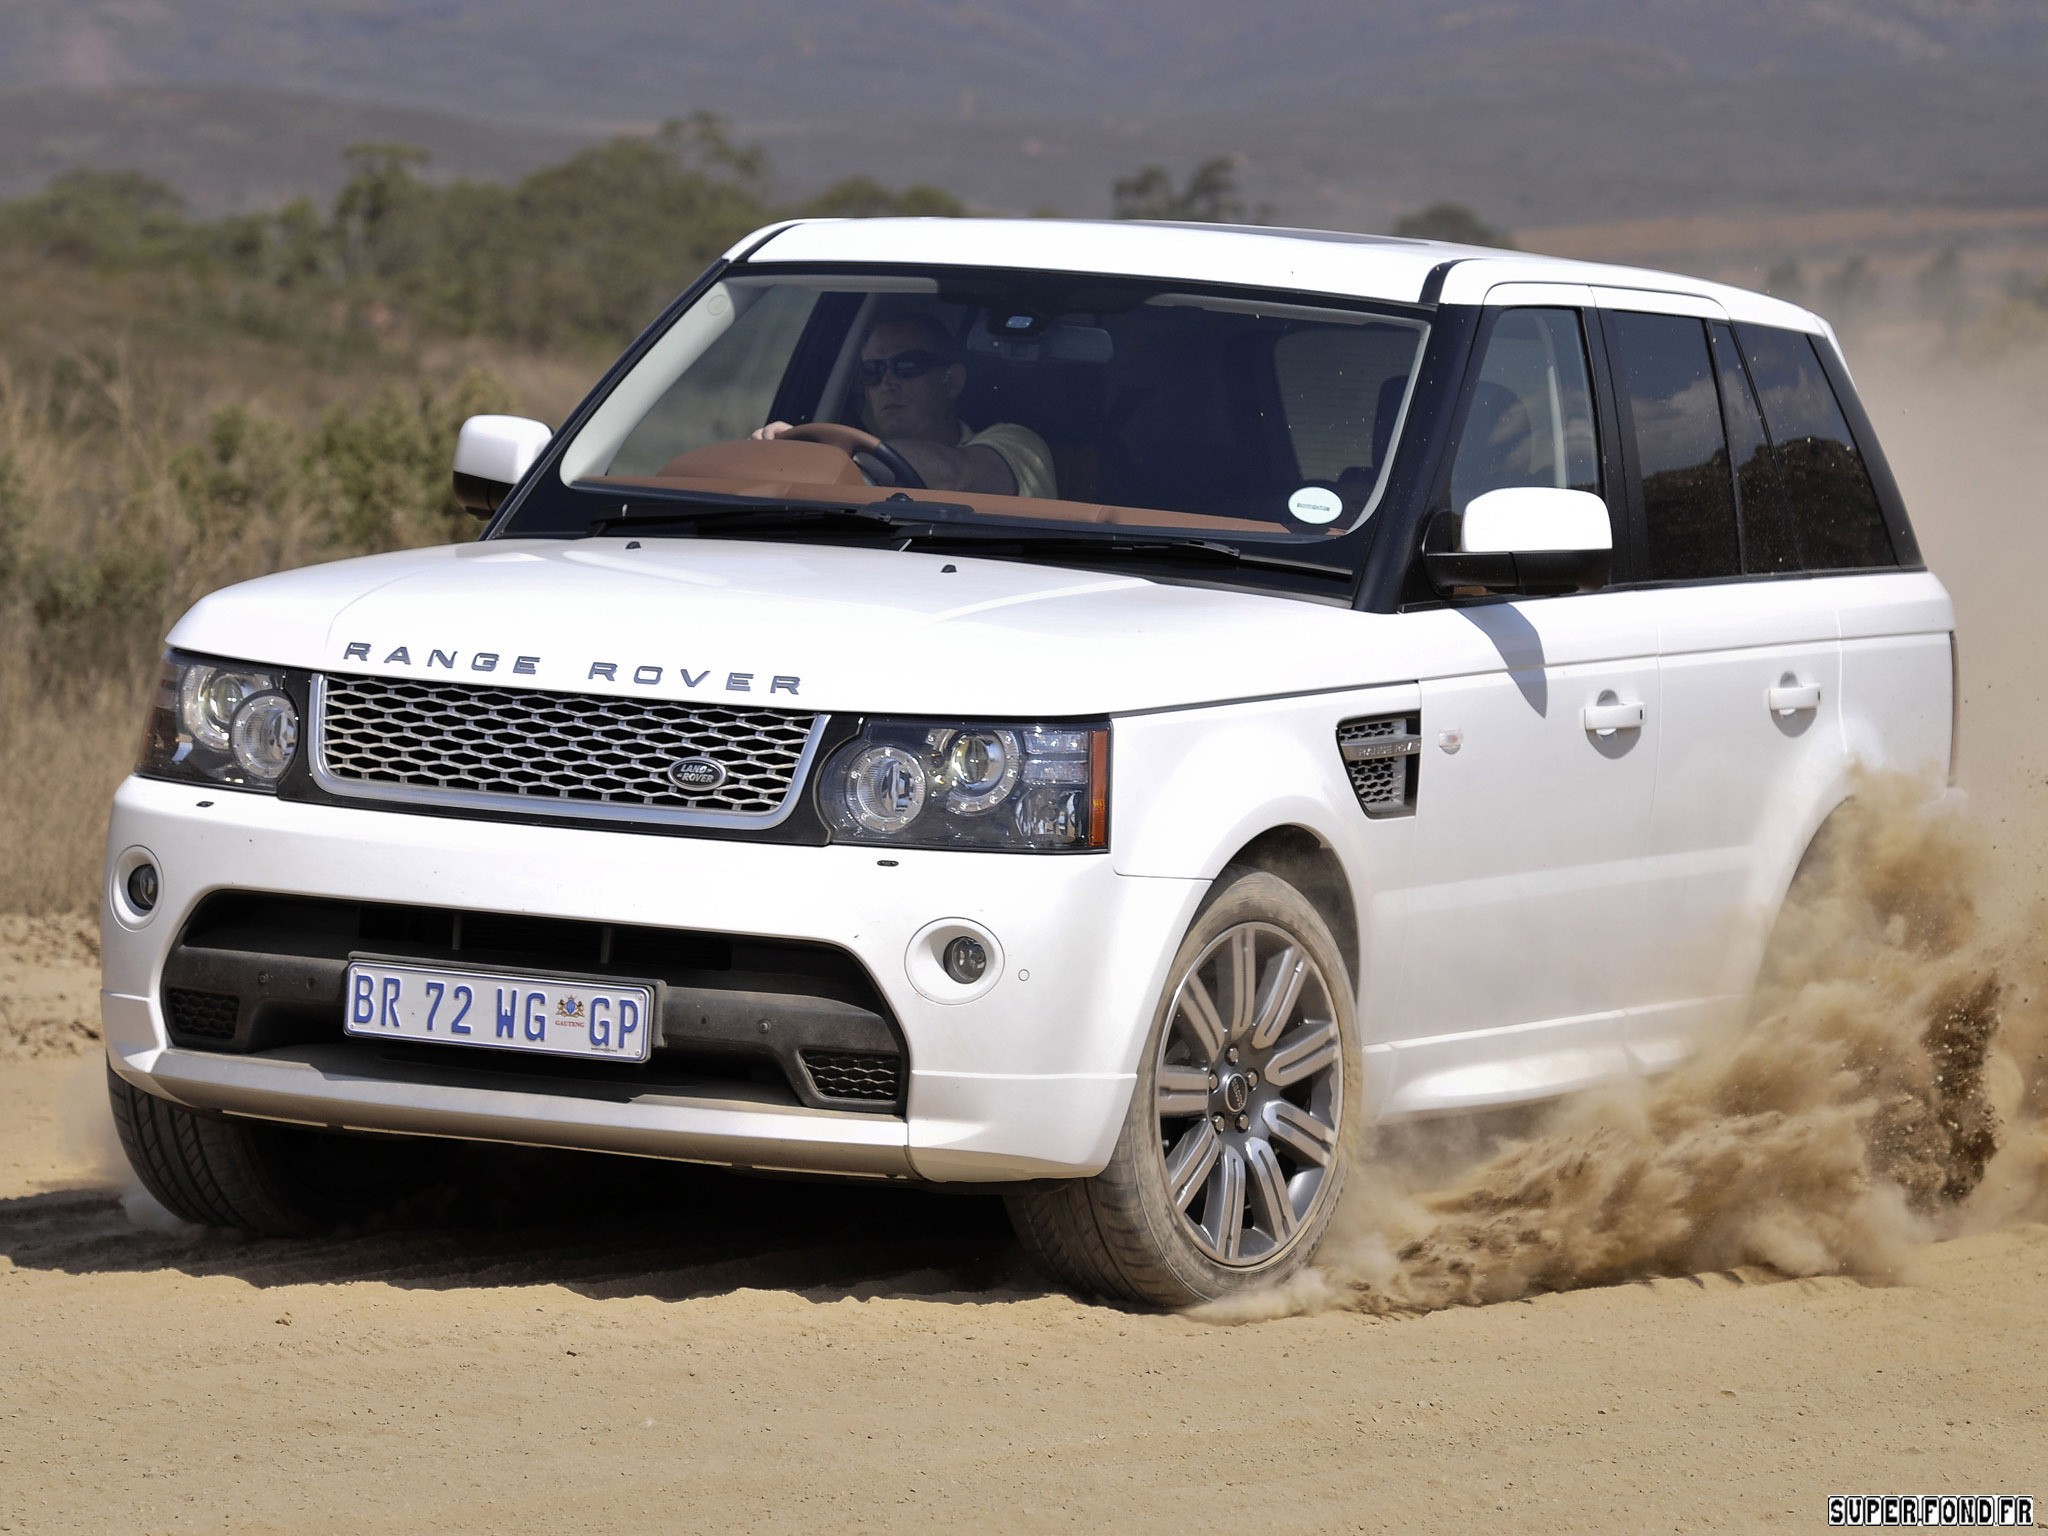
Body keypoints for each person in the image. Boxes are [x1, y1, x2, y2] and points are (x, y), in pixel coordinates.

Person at [751, 313, 1056, 498]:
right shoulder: (850, 457)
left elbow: (956, 475)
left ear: (951, 381)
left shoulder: (1017, 444)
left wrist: (819, 456)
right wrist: (777, 453)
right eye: (872, 371)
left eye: (907, 365)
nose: (887, 382)